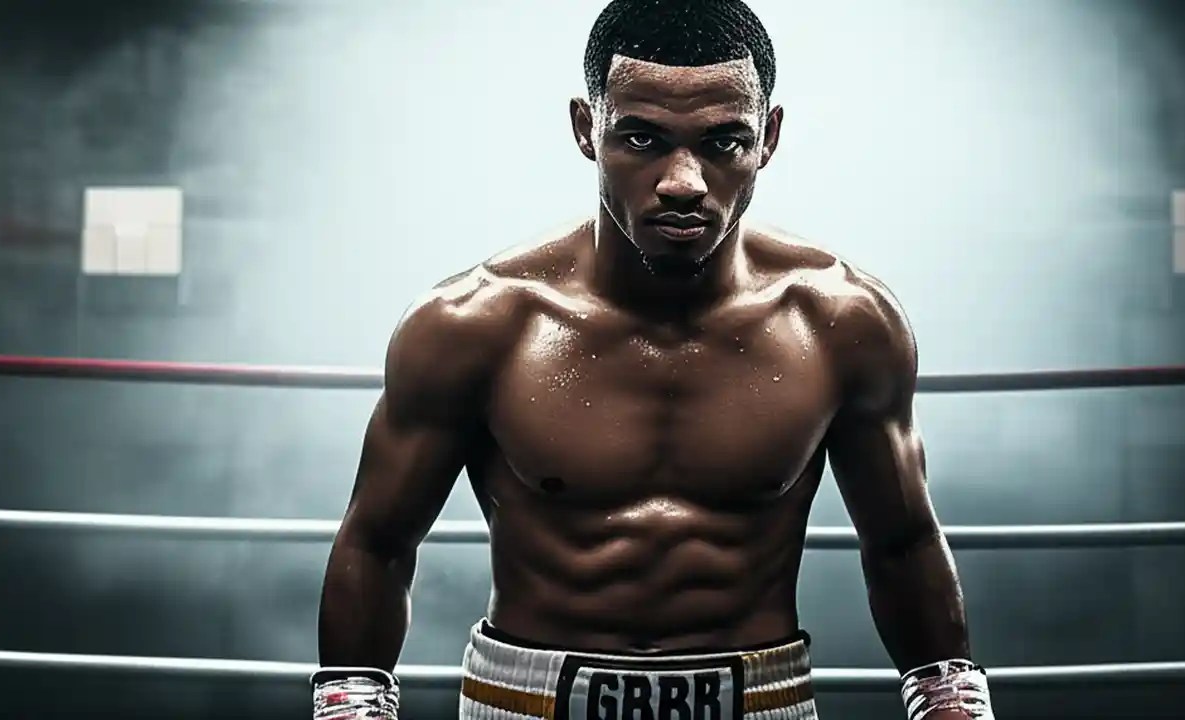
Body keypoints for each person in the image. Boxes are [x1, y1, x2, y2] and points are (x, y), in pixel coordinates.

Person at [314, 1, 995, 718]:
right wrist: (351, 705)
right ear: (588, 129)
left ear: (768, 136)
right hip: (528, 698)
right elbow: (378, 540)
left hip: (756, 700)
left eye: (721, 143)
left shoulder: (840, 321)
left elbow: (904, 542)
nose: (683, 182)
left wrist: (952, 701)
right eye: (642, 138)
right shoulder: (474, 324)